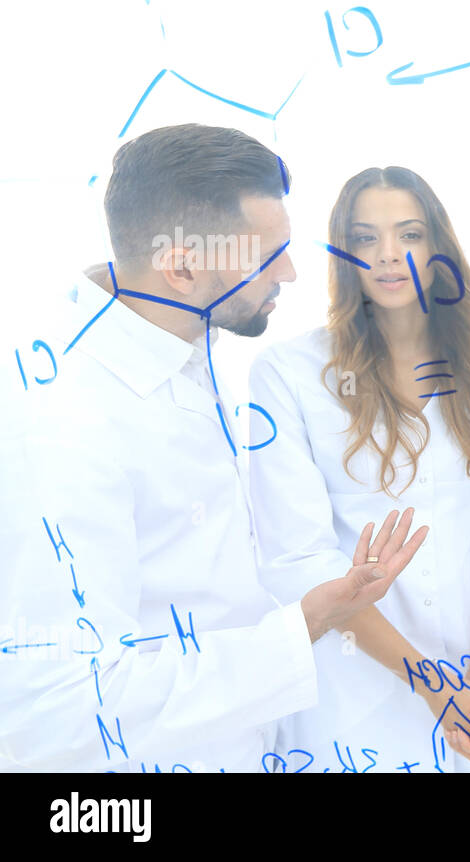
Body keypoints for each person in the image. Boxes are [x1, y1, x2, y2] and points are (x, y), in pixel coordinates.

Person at [0, 124, 426, 772]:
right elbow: (63, 713)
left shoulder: (176, 340)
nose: (289, 271)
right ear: (182, 265)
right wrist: (303, 626)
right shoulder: (62, 420)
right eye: (266, 256)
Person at [248, 166, 470, 773]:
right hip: (360, 684)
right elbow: (300, 558)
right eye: (365, 238)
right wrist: (432, 686)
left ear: (437, 246)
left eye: (408, 234)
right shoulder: (288, 373)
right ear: (343, 253)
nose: (388, 255)